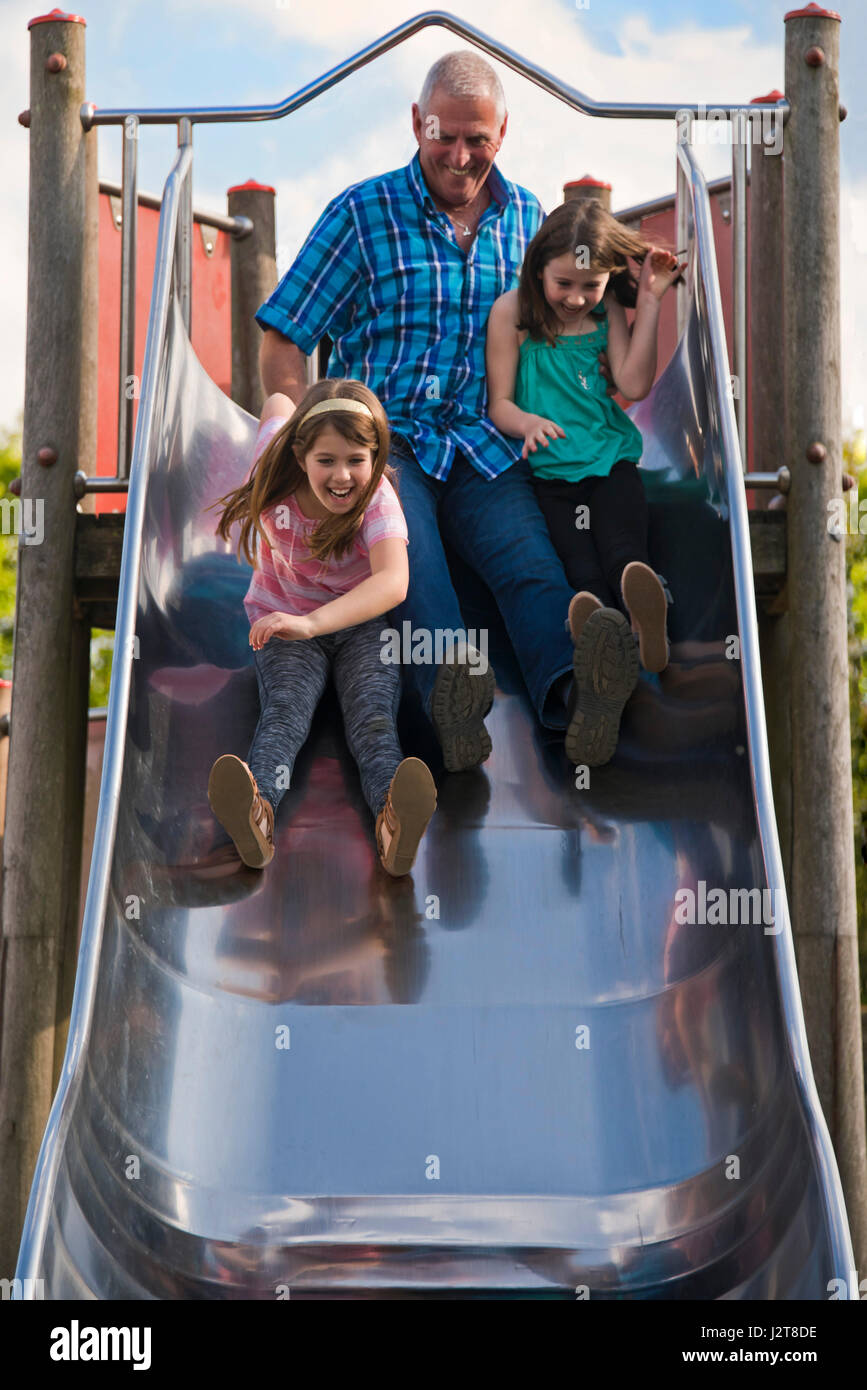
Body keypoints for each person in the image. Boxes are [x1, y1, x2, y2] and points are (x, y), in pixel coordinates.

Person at [254, 51, 599, 774]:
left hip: (480, 442)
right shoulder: (362, 213)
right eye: (445, 135)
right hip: (383, 449)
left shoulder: (527, 220)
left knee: (528, 567)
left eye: (478, 138)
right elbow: (287, 331)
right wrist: (289, 435)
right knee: (419, 579)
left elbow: (566, 321)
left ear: (502, 133)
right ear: (417, 123)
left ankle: (576, 699)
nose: (461, 154)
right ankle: (452, 714)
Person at [206, 378, 437, 877]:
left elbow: (394, 583)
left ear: (375, 458)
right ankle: (258, 813)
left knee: (373, 719)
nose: (342, 475)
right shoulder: (273, 473)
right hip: (284, 623)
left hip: (359, 627)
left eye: (357, 459)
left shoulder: (377, 500)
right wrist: (301, 626)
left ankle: (392, 823)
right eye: (326, 460)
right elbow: (277, 401)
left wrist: (314, 622)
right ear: (298, 452)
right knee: (286, 710)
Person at [486, 198, 683, 765]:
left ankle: (650, 613)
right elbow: (499, 403)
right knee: (582, 576)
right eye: (563, 283)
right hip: (550, 478)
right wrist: (527, 422)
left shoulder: (604, 317)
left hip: (611, 464)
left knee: (625, 552)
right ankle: (613, 654)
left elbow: (634, 384)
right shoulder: (512, 316)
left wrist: (647, 301)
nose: (576, 298)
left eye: (591, 286)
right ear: (537, 269)